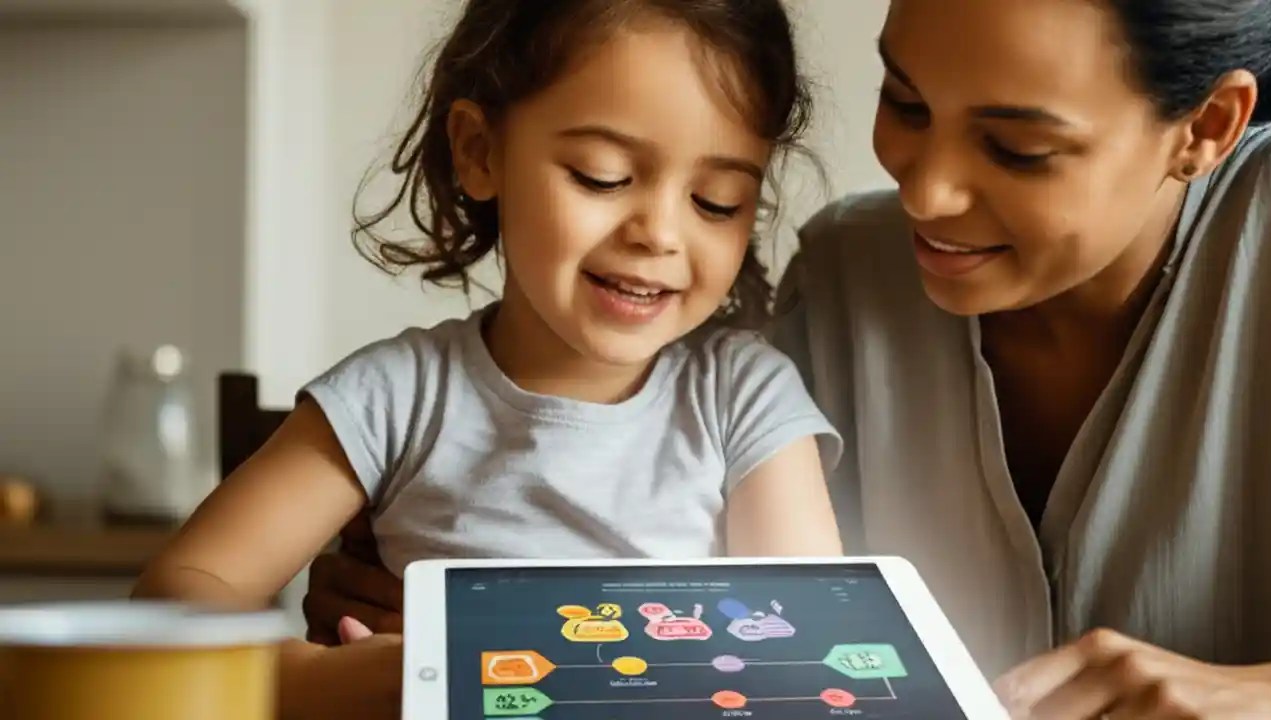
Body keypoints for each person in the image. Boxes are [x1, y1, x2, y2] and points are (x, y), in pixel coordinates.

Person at [305, 0, 1271, 717]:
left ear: (1203, 128)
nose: (926, 193)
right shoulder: (848, 274)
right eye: (904, 101)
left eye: (1016, 149)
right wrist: (448, 603)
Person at [132, 1, 845, 718]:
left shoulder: (747, 399)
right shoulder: (394, 397)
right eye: (601, 176)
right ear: (480, 151)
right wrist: (318, 680)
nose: (659, 233)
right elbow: (177, 595)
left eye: (716, 201)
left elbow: (798, 656)